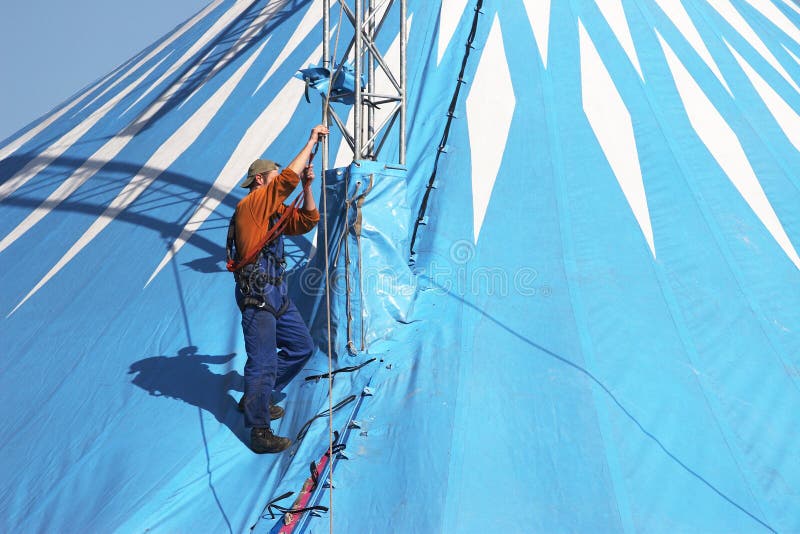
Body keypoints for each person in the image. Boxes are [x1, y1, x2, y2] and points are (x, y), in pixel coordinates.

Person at [226, 124, 329, 453]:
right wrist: (311, 140)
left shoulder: (273, 211)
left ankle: (258, 397)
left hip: (276, 295)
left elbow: (307, 221)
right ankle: (259, 430)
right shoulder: (252, 206)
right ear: (261, 180)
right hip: (258, 298)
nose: (280, 176)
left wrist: (309, 187)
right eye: (274, 173)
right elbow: (287, 181)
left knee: (301, 347)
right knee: (263, 363)